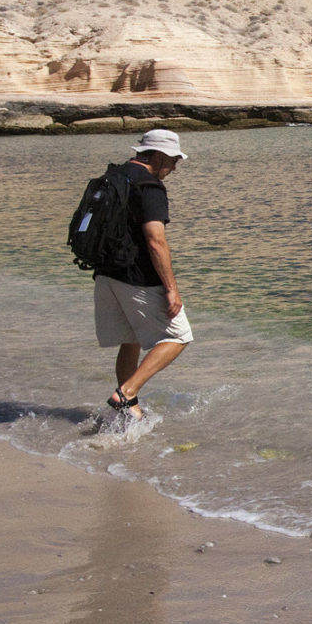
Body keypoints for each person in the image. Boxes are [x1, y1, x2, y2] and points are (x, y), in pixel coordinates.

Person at [95, 128, 193, 420]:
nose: (175, 167)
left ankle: (131, 410)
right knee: (179, 336)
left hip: (105, 273)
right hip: (136, 277)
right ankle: (125, 394)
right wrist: (171, 289)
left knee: (131, 337)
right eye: (174, 160)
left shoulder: (113, 176)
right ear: (160, 156)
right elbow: (155, 240)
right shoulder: (149, 187)